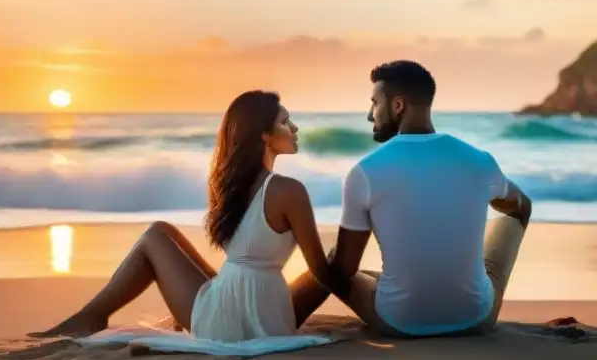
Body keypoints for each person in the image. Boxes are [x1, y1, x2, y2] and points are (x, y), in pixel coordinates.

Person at [33, 90, 338, 341]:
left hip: (226, 324)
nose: (295, 128)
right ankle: (91, 316)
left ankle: (91, 316)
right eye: (286, 122)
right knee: (166, 233)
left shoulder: (232, 186)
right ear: (264, 136)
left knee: (155, 235)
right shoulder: (289, 191)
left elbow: (317, 275)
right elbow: (322, 273)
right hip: (271, 317)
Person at [292, 60, 533, 337]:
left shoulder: (365, 172)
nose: (371, 115)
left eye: (375, 103)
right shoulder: (479, 161)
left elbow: (345, 271)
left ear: (398, 105)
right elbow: (519, 203)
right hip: (475, 318)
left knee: (337, 259)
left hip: (399, 322)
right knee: (518, 215)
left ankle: (277, 323)